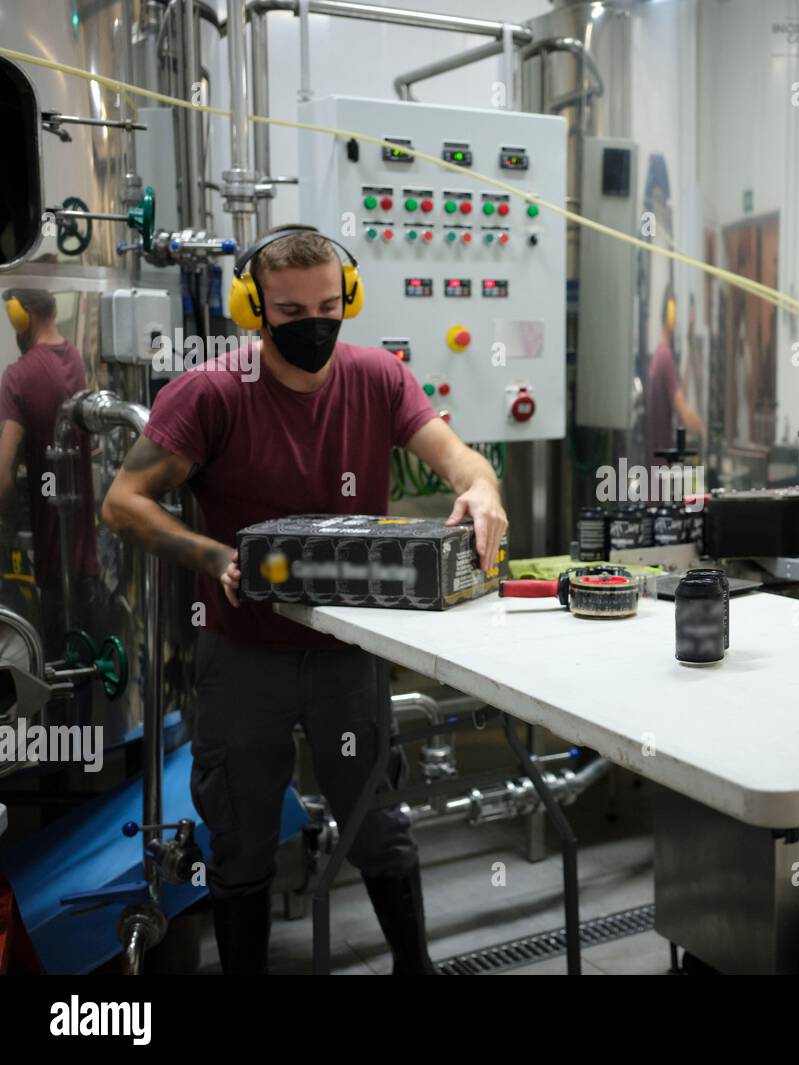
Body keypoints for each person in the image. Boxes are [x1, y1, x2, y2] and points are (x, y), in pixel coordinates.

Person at [102, 225, 508, 974]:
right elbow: (123, 502)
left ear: (348, 298)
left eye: (330, 305)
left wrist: (481, 490)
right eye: (291, 312)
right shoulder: (213, 393)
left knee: (378, 824)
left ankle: (414, 966)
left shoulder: (379, 379)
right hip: (242, 653)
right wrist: (215, 555)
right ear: (253, 308)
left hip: (349, 653)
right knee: (242, 839)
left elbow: (458, 460)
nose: (315, 324)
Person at [0, 288, 99, 650]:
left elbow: (3, 473)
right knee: (84, 671)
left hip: (51, 563)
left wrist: (7, 524)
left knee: (51, 673)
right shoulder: (74, 356)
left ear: (18, 315)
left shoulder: (19, 376)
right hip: (87, 557)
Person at [645, 285, 703, 463]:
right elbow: (684, 416)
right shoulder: (665, 358)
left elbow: (678, 395)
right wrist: (702, 428)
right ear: (671, 315)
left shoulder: (658, 355)